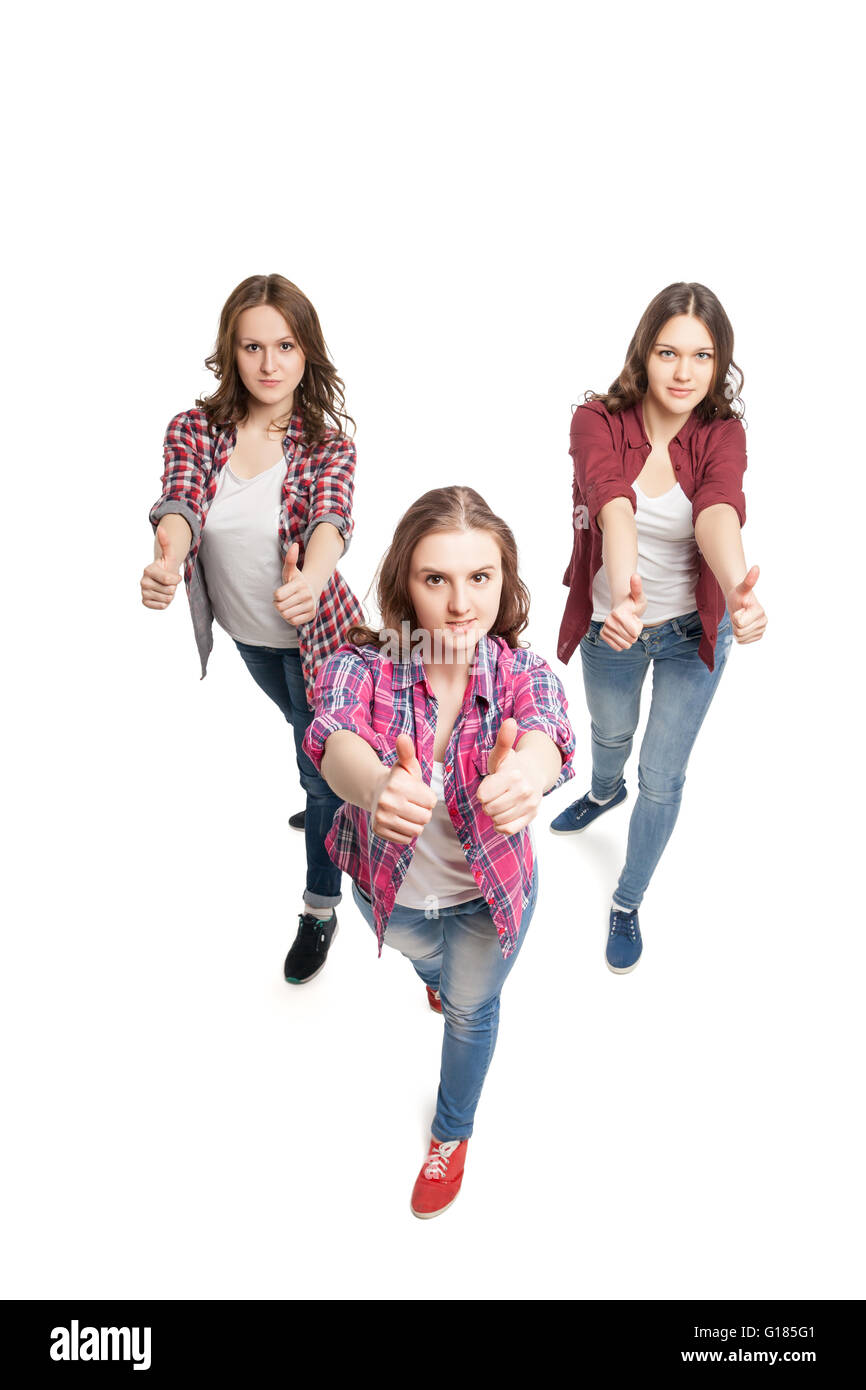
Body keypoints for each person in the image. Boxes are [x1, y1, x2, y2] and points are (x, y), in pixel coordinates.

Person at [303, 487, 575, 1218]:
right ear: (405, 583)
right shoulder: (366, 662)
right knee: (431, 960)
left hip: (490, 901)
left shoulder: (522, 671)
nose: (460, 605)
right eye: (436, 580)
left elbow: (550, 728)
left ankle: (453, 1132)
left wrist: (526, 775)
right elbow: (332, 735)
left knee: (470, 1011)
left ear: (504, 582)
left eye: (479, 578)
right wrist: (375, 785)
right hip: (389, 896)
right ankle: (436, 976)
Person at [141, 273, 363, 984]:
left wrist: (312, 577)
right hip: (247, 637)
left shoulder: (326, 444)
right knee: (305, 738)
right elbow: (178, 500)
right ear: (232, 354)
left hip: (318, 640)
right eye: (253, 347)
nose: (270, 364)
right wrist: (169, 557)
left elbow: (332, 520)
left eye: (286, 346)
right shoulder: (195, 430)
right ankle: (327, 793)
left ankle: (320, 905)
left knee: (319, 761)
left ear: (307, 354)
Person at [555, 282, 767, 974]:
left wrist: (737, 586)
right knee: (610, 736)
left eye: (702, 356)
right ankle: (600, 791)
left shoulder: (722, 434)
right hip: (614, 625)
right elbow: (611, 505)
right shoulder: (596, 419)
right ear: (644, 353)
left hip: (690, 637)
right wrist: (621, 596)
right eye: (669, 352)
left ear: (719, 362)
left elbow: (717, 510)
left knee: (663, 776)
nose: (684, 372)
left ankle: (627, 897)